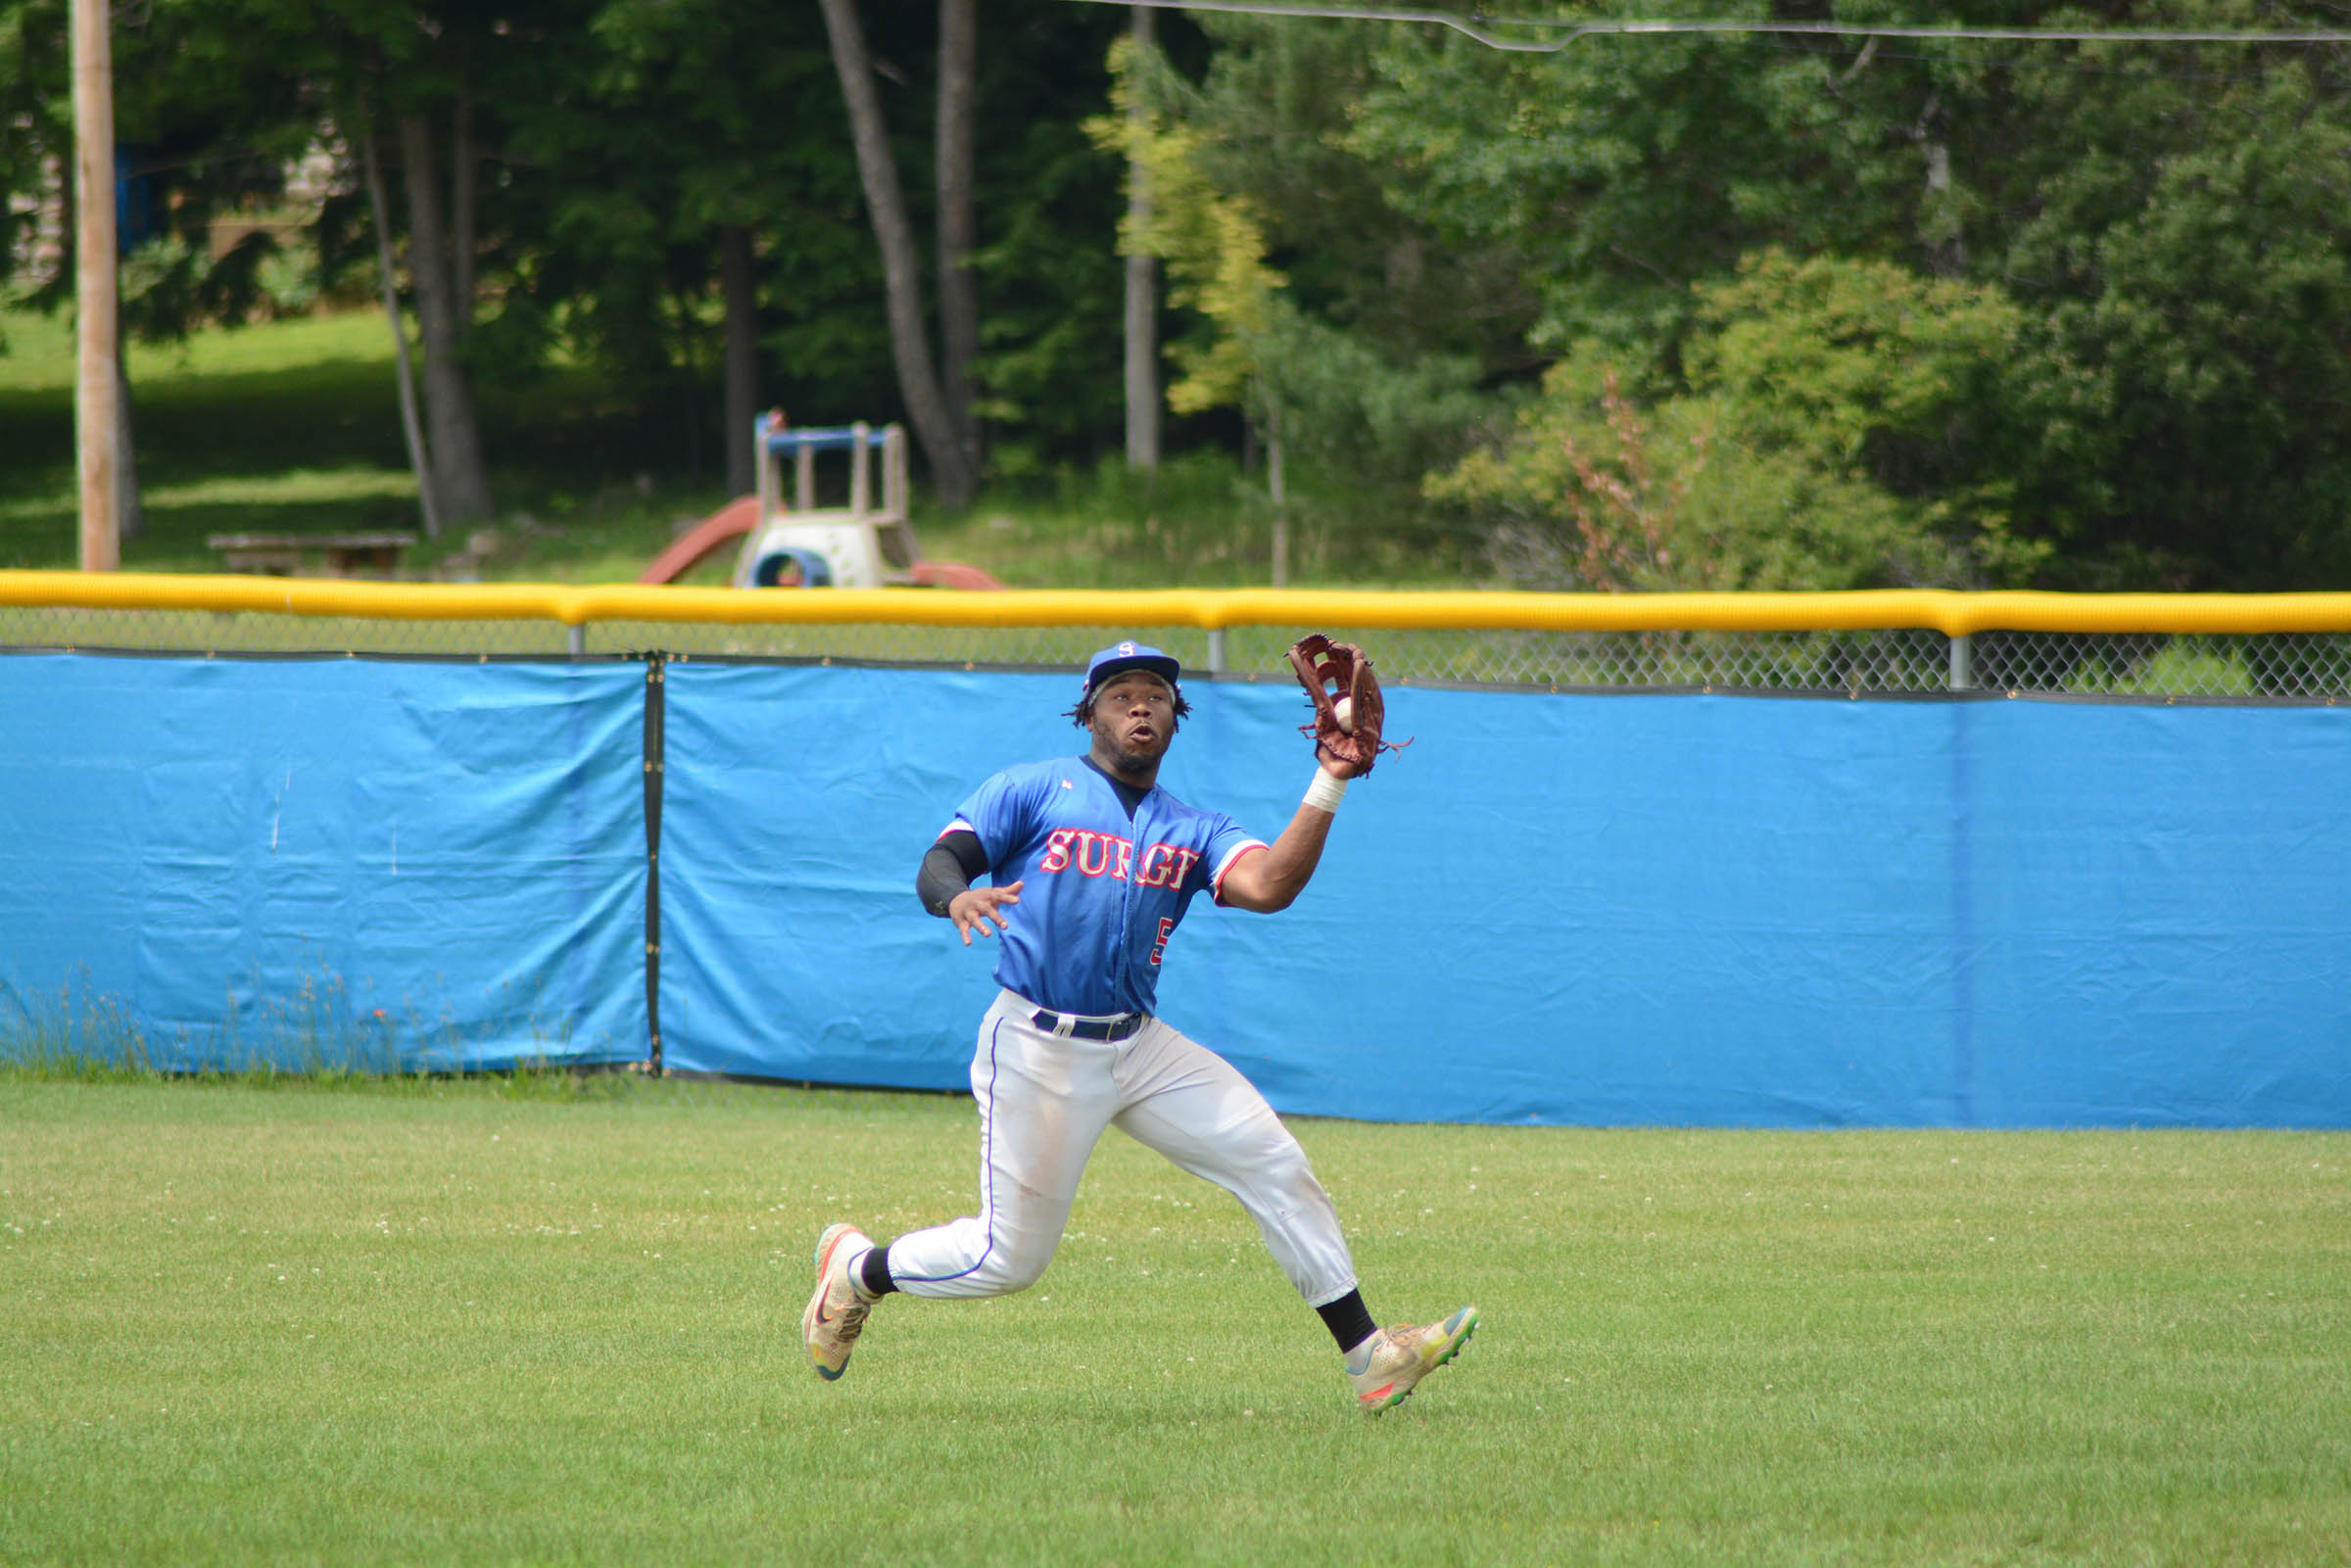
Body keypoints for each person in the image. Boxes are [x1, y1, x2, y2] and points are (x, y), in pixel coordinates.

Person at [800, 640, 1476, 1414]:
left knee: (1270, 1157)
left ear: (1175, 718)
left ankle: (1369, 1358)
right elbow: (942, 858)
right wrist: (954, 895)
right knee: (1007, 1259)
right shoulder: (1032, 789)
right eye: (1120, 695)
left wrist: (1329, 779)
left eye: (1155, 694)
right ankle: (857, 1270)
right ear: (1089, 714)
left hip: (1138, 1043)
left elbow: (1269, 885)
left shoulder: (1191, 827)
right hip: (1038, 1043)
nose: (1140, 706)